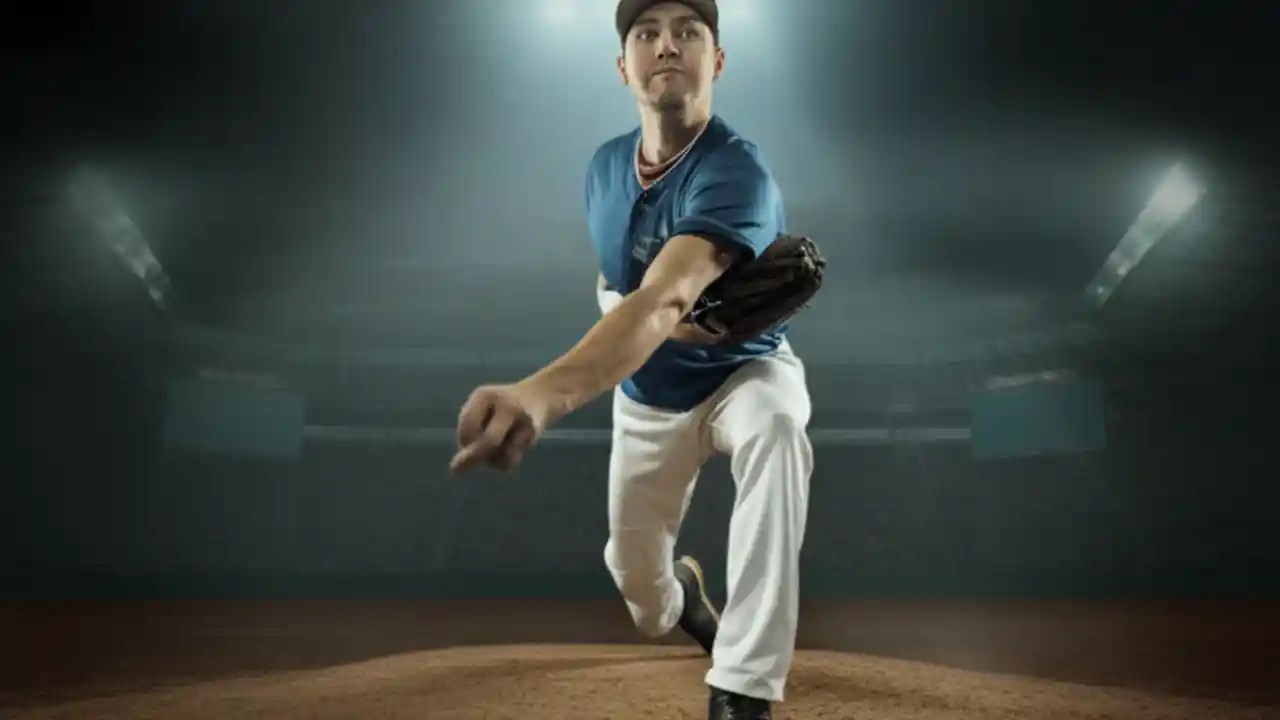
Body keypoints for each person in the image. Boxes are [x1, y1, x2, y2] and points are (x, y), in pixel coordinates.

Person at [450, 1, 813, 717]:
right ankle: (685, 599)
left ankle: (744, 684)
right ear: (623, 66)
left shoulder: (737, 173)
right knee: (642, 597)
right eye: (646, 34)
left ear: (717, 59)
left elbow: (664, 298)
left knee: (778, 427)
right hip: (648, 396)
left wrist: (540, 395)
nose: (666, 45)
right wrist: (653, 319)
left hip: (745, 372)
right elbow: (627, 290)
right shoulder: (604, 168)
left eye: (688, 32)